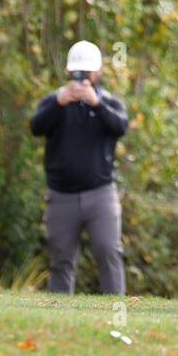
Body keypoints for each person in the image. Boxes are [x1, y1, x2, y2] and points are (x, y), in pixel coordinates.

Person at [30, 40, 129, 294]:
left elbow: (120, 127)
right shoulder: (54, 101)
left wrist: (95, 103)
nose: (82, 77)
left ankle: (115, 310)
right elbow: (36, 127)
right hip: (61, 195)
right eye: (78, 72)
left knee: (109, 251)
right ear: (68, 71)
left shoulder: (109, 103)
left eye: (87, 72)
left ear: (97, 73)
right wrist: (60, 103)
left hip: (100, 194)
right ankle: (60, 312)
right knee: (61, 259)